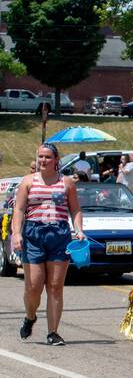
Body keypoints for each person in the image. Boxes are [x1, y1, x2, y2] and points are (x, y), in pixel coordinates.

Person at [11, 143, 85, 346]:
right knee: (33, 286)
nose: (43, 160)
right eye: (40, 157)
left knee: (55, 286)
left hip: (59, 233)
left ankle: (53, 332)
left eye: (47, 157)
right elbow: (18, 210)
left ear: (56, 160)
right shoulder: (28, 182)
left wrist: (78, 230)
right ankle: (30, 316)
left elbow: (75, 210)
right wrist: (16, 234)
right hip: (34, 233)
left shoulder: (67, 182)